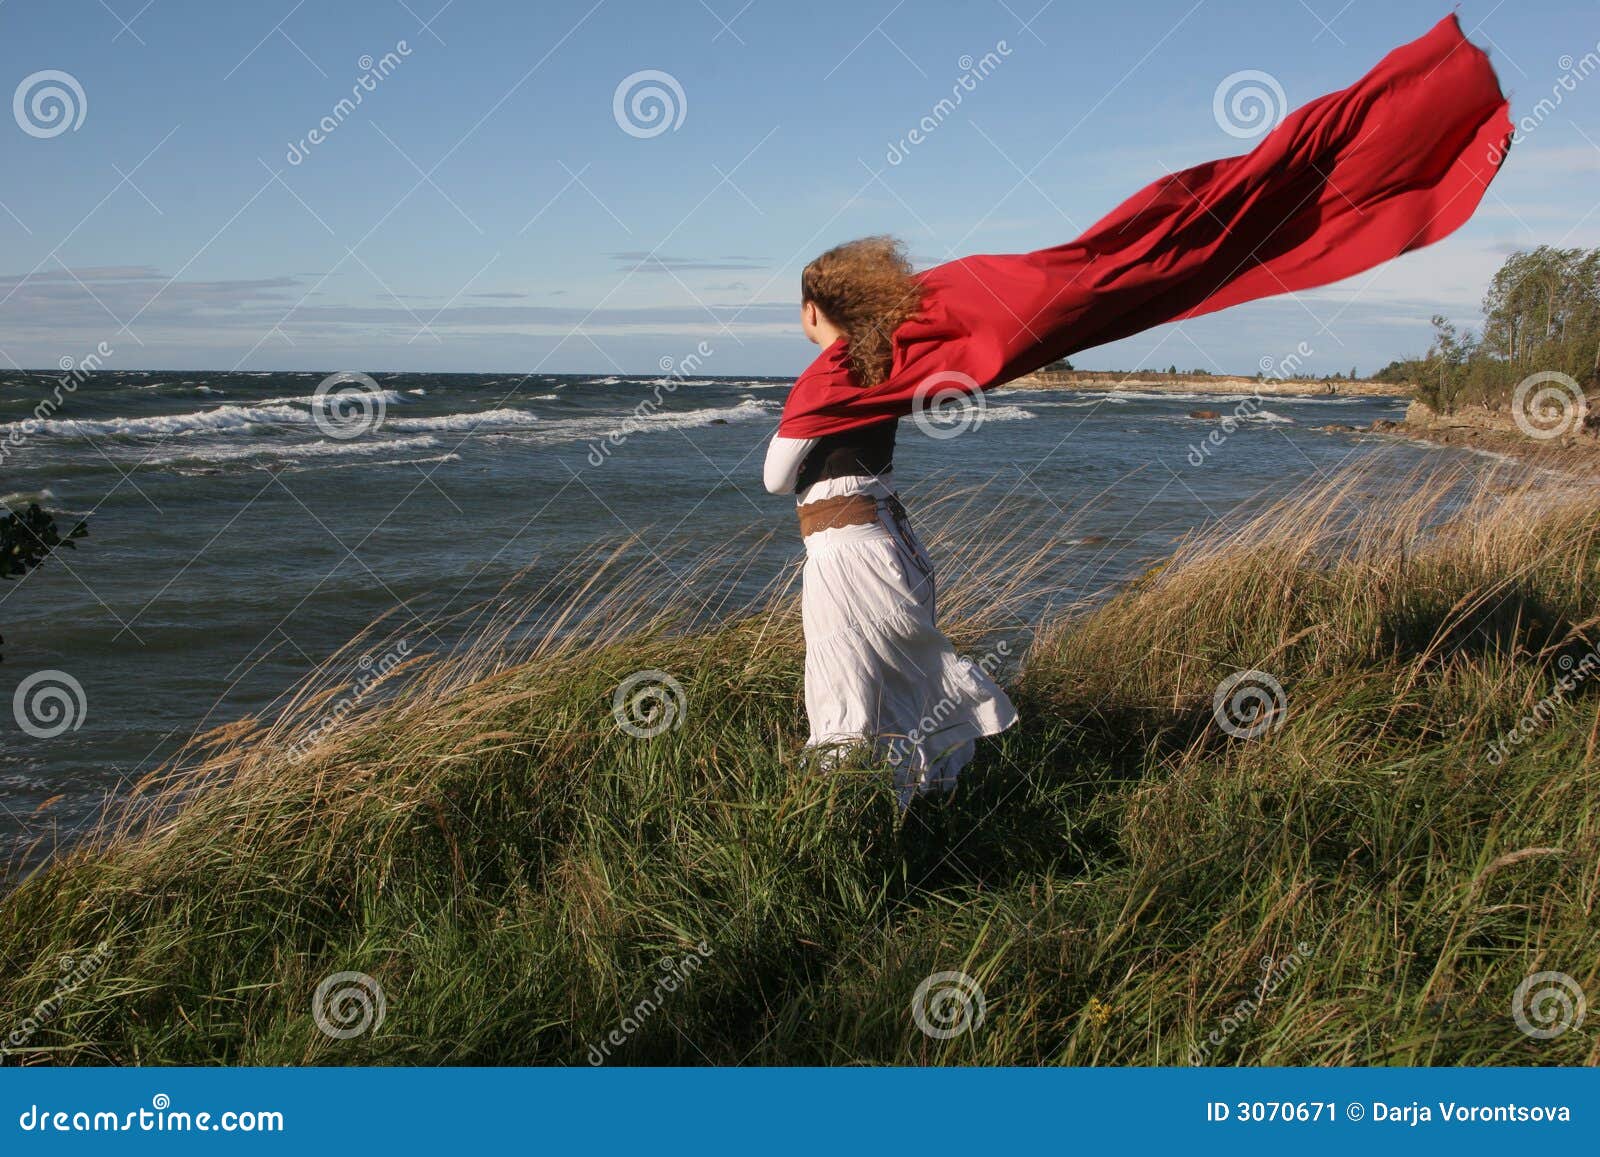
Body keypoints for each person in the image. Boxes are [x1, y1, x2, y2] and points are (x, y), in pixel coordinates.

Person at [764, 237, 1016, 805]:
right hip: (892, 543)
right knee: (901, 680)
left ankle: (849, 815)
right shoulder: (879, 365)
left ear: (811, 311)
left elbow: (775, 478)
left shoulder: (829, 377)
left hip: (850, 551)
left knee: (849, 689)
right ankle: (927, 802)